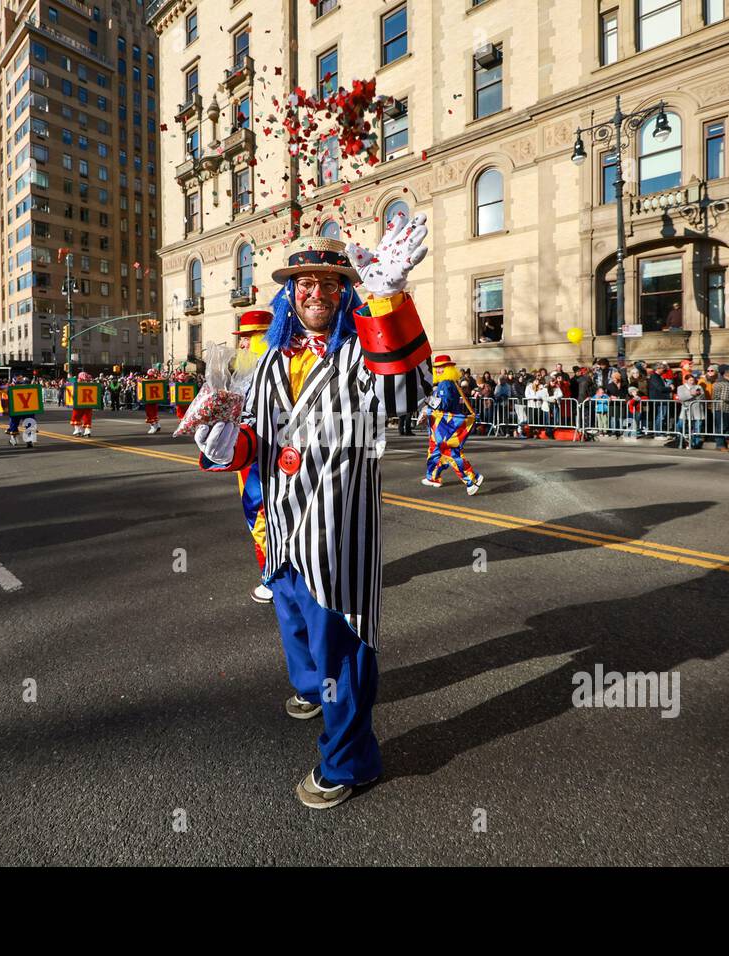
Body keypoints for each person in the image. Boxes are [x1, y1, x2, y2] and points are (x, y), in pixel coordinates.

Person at [193, 216, 432, 809]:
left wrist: (389, 300)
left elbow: (406, 393)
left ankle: (351, 762)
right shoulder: (273, 362)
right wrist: (226, 442)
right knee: (295, 626)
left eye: (330, 282)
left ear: (345, 291)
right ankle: (313, 691)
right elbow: (261, 442)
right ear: (290, 293)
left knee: (342, 651)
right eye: (304, 283)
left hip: (337, 530)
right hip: (282, 527)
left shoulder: (363, 352)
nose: (316, 292)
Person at [231, 309, 275, 603]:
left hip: (265, 457)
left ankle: (272, 578)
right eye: (241, 338)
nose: (242, 344)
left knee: (261, 516)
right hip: (249, 456)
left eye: (248, 337)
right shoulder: (246, 371)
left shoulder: (269, 369)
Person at [421, 355, 483, 493]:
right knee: (434, 451)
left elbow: (444, 404)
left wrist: (427, 400)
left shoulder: (446, 384)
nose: (438, 370)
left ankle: (472, 479)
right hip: (439, 425)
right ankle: (433, 477)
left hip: (445, 426)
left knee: (451, 453)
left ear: (449, 368)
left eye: (441, 367)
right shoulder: (446, 383)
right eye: (436, 367)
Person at [69, 371, 95, 436]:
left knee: (76, 416)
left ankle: (78, 430)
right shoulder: (91, 384)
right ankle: (87, 431)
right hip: (88, 404)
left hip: (79, 403)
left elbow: (71, 393)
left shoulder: (76, 384)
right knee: (87, 417)